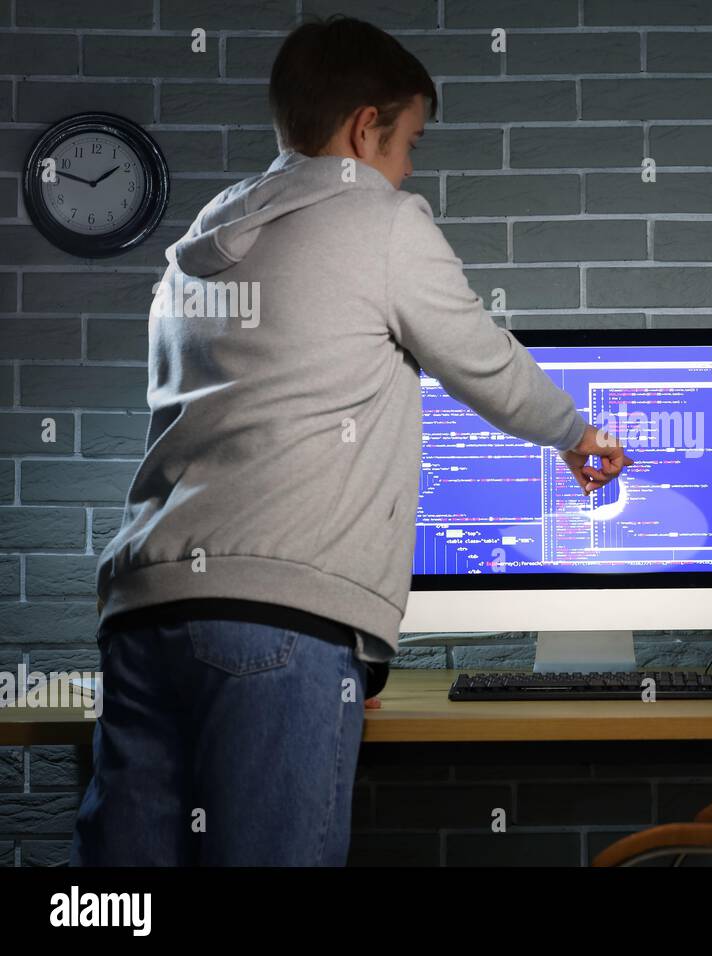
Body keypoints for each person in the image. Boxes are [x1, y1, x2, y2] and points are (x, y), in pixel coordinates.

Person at [70, 15, 631, 866]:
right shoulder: (381, 221)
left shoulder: (196, 248)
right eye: (409, 142)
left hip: (144, 613)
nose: (409, 167)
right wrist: (576, 434)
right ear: (365, 127)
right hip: (279, 620)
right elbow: (483, 361)